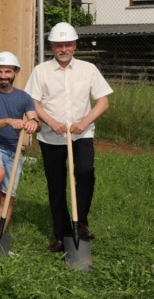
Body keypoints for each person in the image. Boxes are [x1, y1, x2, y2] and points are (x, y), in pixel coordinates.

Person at [25, 22, 112, 252]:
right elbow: (32, 102)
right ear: (52, 46)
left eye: (68, 44)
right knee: (56, 185)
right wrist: (50, 122)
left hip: (81, 134)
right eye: (59, 45)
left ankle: (80, 222)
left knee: (85, 172)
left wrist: (84, 122)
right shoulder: (40, 71)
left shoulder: (88, 69)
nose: (63, 49)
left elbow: (103, 101)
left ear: (75, 45)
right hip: (51, 136)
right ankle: (61, 234)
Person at [0, 51, 40, 233]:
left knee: (8, 197)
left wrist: (32, 123)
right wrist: (7, 121)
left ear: (16, 73)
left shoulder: (24, 97)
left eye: (7, 72)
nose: (3, 76)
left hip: (14, 149)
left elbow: (35, 120)